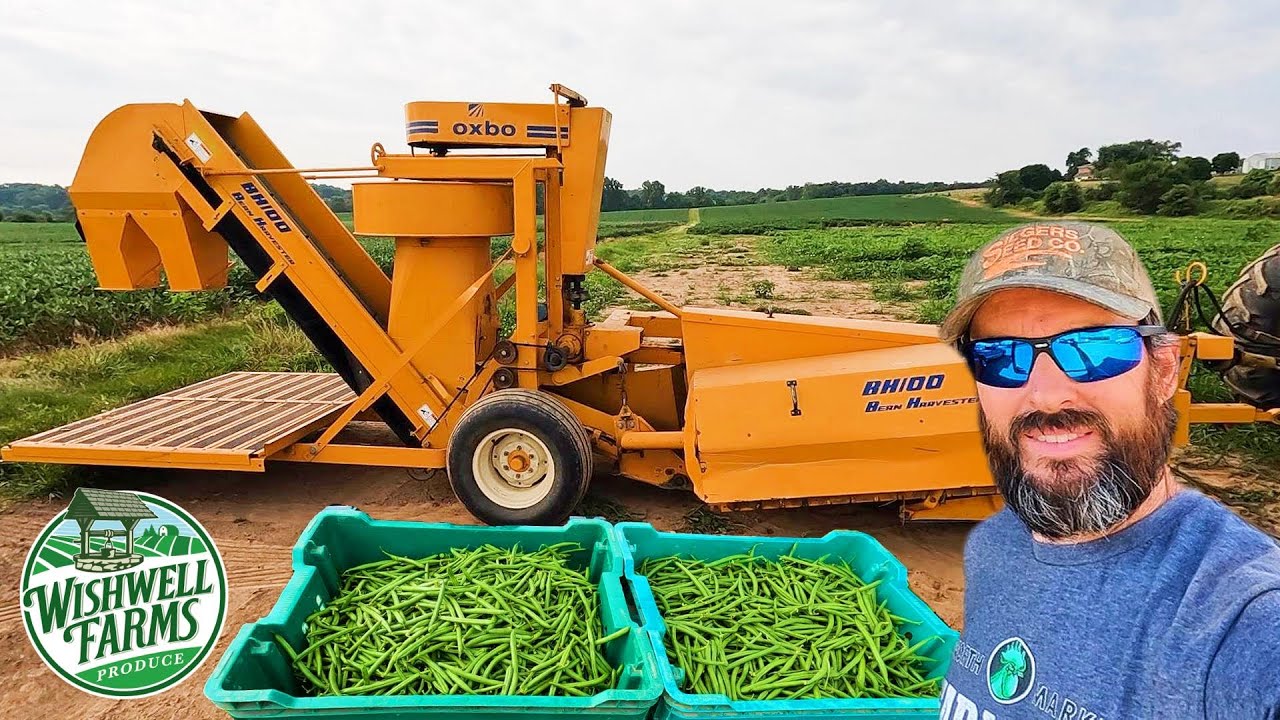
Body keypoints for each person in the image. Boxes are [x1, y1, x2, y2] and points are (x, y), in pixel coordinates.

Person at [935, 222, 1280, 719]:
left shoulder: (1242, 621)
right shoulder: (996, 546)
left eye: (1095, 351)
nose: (1047, 394)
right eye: (1000, 358)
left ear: (1163, 370)